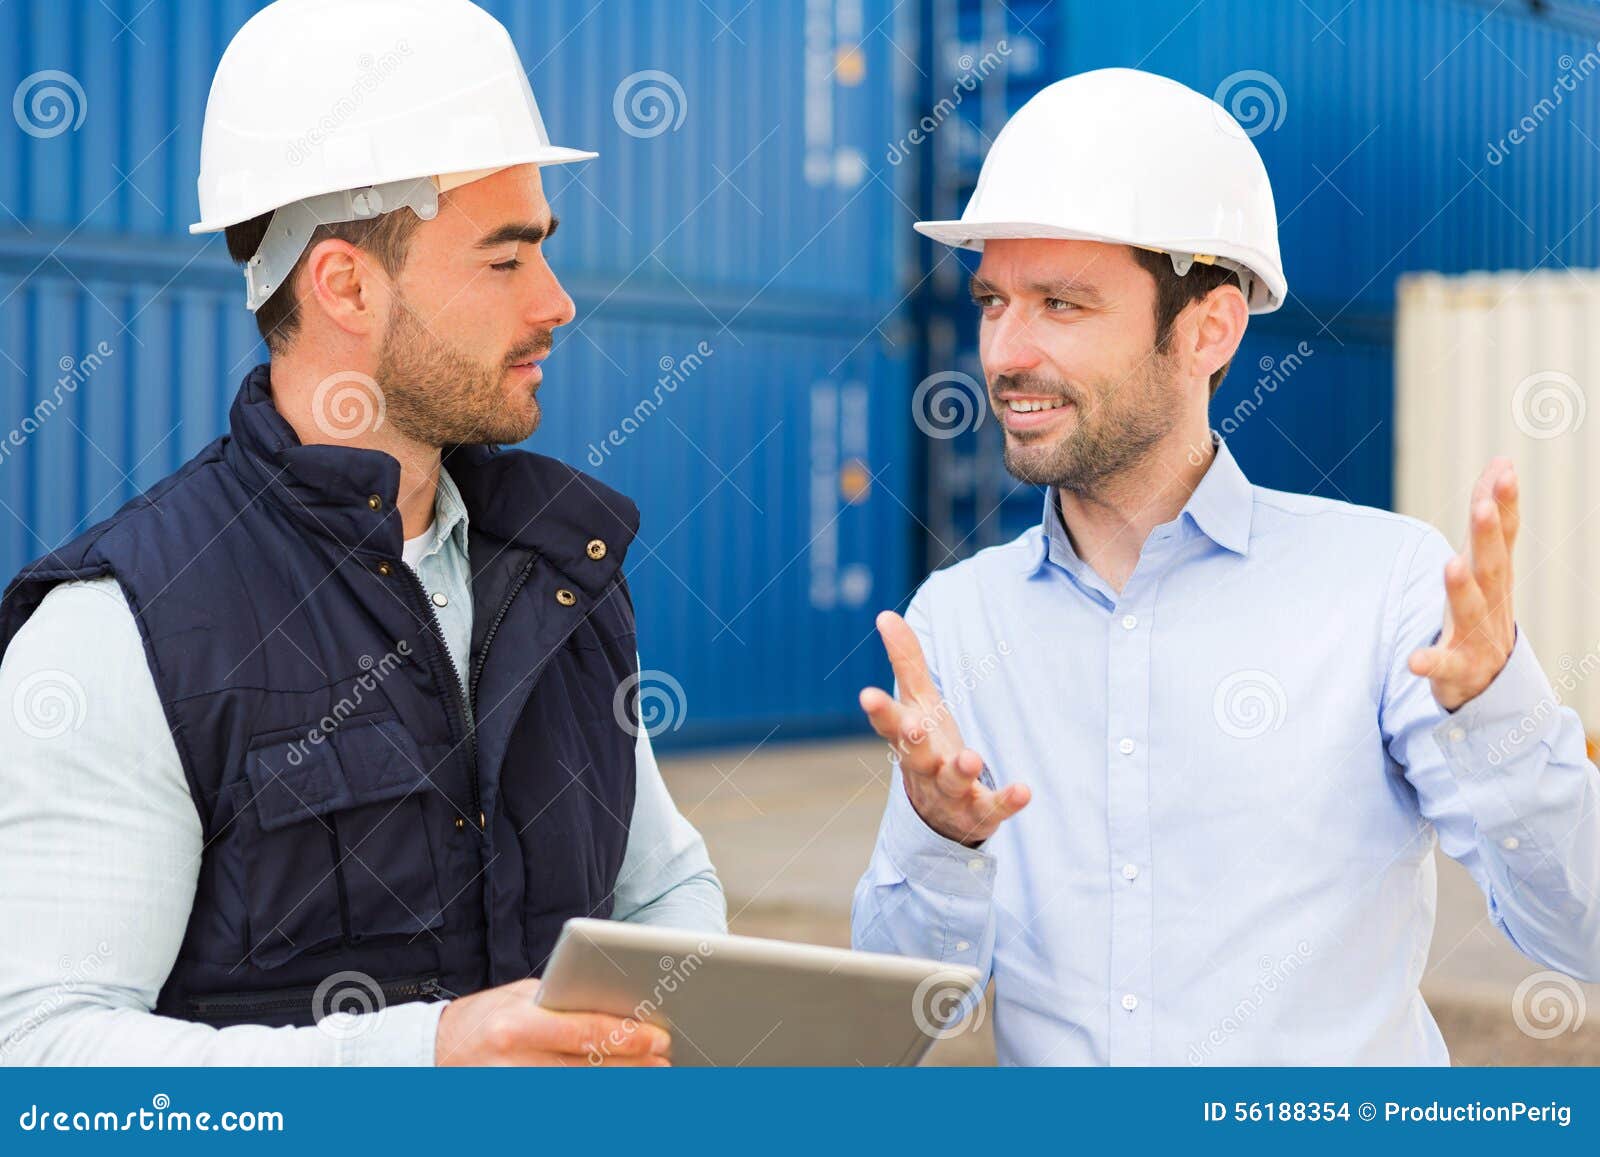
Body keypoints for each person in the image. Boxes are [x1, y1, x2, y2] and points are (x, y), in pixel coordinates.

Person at [0, 0, 723, 1066]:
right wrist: (425, 1057)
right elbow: (41, 1057)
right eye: (505, 260)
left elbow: (661, 889)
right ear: (345, 282)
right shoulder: (123, 627)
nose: (559, 302)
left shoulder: (559, 572)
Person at [852, 67, 1600, 1065]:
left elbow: (1578, 933)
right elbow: (894, 1027)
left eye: (1061, 304)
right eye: (993, 300)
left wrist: (1498, 719)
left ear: (1208, 328)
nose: (1004, 350)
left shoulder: (1384, 590)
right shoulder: (954, 621)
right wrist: (940, 840)